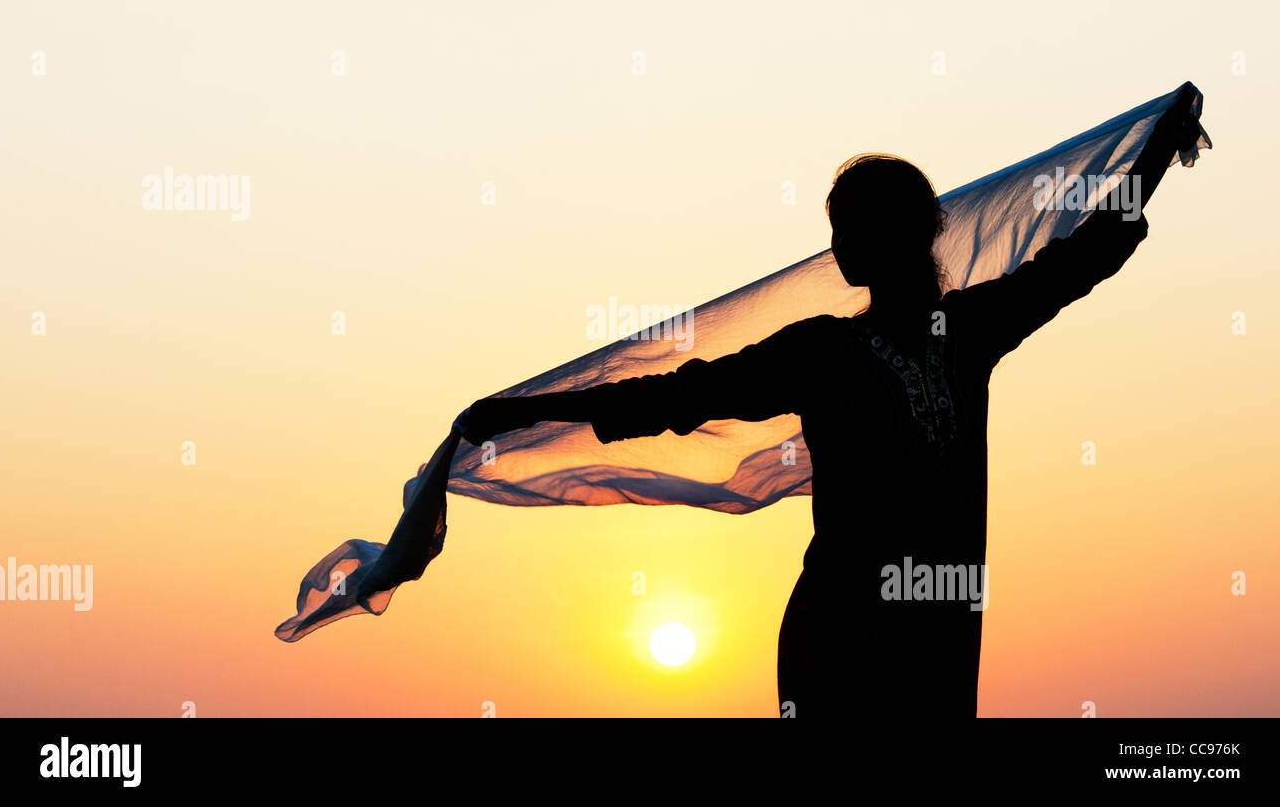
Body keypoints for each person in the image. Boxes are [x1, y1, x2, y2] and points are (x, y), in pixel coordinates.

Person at [458, 93, 1203, 717]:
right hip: (835, 641)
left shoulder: (970, 331)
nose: (842, 243)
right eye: (836, 228)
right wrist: (527, 410)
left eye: (856, 223)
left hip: (939, 642)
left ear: (917, 230)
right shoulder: (819, 351)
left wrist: (1159, 151)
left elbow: (1087, 255)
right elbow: (679, 395)